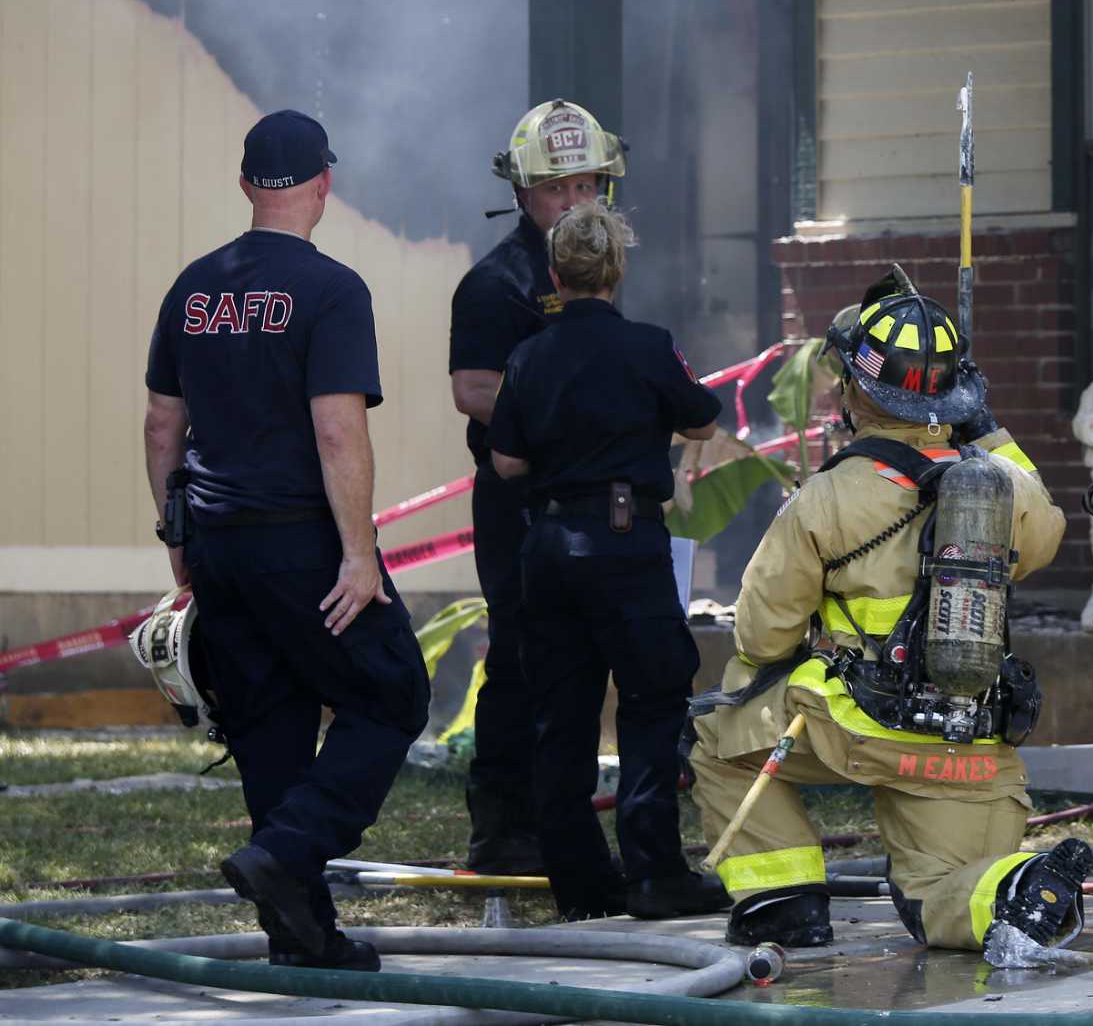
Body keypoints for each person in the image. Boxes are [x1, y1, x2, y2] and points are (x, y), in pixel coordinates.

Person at [690, 280, 1088, 953]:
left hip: (859, 726)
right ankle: (1015, 886)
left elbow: (760, 635)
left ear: (859, 391)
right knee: (940, 890)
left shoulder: (827, 497)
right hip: (972, 738)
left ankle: (782, 902)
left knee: (713, 735)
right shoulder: (1000, 486)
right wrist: (988, 429)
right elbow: (1048, 522)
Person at [143, 109, 429, 972]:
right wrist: (357, 554)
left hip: (221, 544)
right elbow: (337, 432)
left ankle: (300, 938)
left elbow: (163, 423)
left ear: (244, 186)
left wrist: (177, 540)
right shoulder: (333, 289)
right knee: (391, 693)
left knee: (270, 724)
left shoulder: (192, 287)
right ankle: (292, 845)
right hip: (304, 542)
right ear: (323, 185)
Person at [486, 202, 729, 920]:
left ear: (556, 274)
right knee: (652, 701)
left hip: (552, 547)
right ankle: (654, 873)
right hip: (627, 545)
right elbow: (705, 417)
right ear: (616, 272)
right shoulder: (650, 347)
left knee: (562, 714)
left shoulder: (529, 355)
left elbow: (504, 459)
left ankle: (581, 882)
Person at [447, 99, 625, 874]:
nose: (574, 203)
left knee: (582, 658)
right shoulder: (496, 283)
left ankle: (560, 815)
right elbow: (473, 387)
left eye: (587, 186)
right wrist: (566, 414)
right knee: (519, 654)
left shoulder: (598, 269)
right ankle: (501, 823)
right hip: (519, 502)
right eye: (558, 189)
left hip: (586, 499)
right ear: (522, 192)